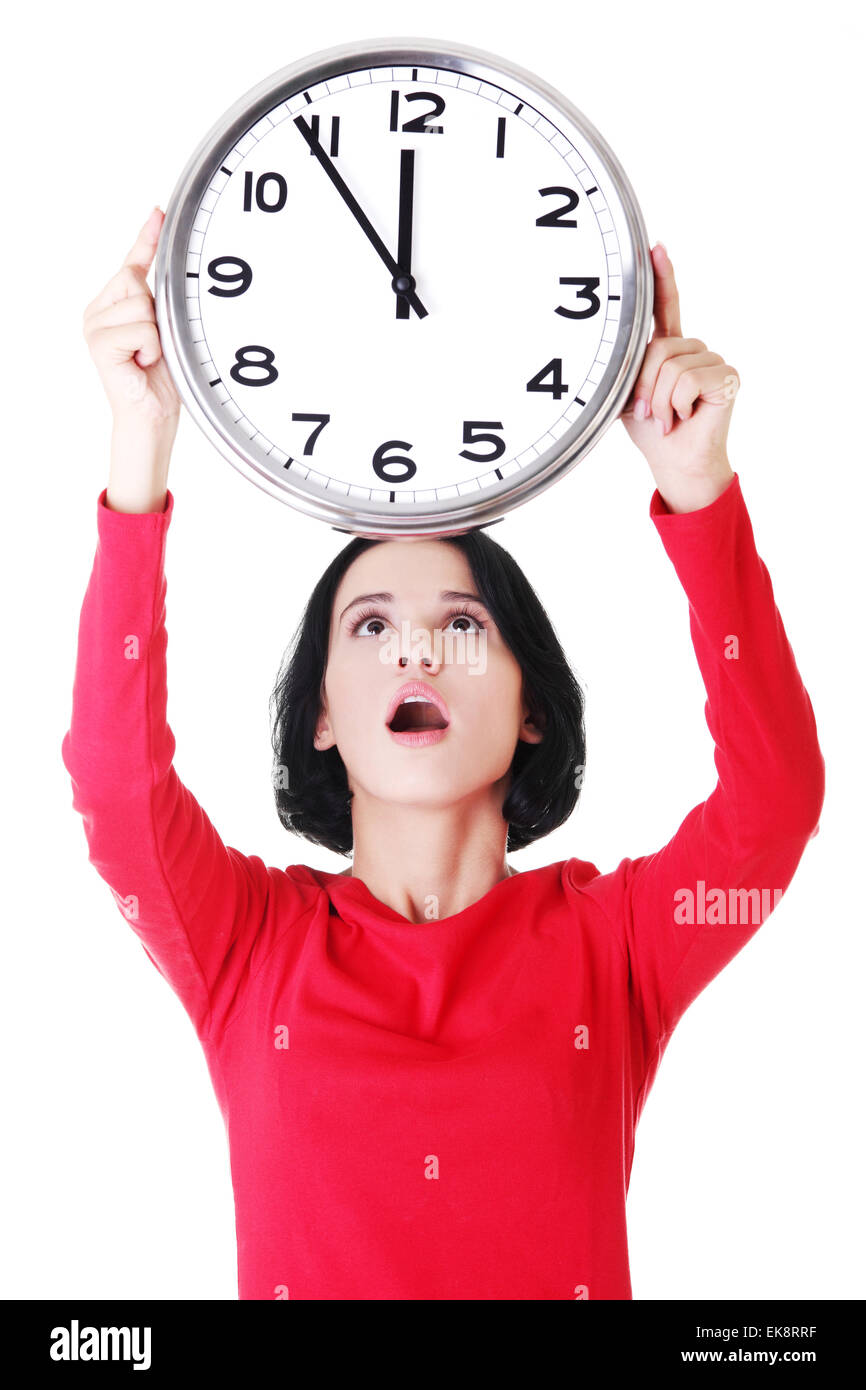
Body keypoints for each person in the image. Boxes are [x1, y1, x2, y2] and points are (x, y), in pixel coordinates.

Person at [62, 207, 824, 1300]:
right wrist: (139, 444)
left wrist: (697, 483)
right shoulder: (249, 947)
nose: (414, 646)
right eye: (369, 626)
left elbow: (772, 802)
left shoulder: (610, 950)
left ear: (529, 708)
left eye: (462, 626)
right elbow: (114, 788)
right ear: (320, 713)